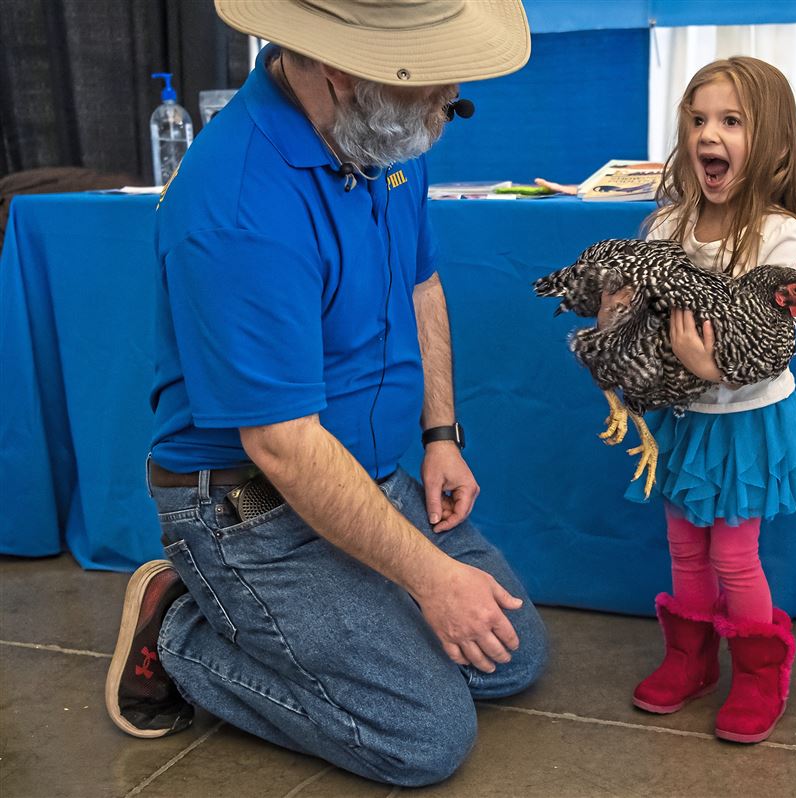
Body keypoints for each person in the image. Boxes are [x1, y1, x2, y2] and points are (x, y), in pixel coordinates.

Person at [103, 0, 547, 786]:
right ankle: (180, 630)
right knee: (424, 736)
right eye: (429, 78)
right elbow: (282, 445)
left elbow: (421, 283)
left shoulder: (389, 134)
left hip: (366, 473)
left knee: (511, 657)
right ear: (344, 71)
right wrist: (429, 578)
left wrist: (441, 435)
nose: (453, 99)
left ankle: (325, 615)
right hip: (249, 504)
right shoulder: (237, 203)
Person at [615, 57, 796, 743]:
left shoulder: (778, 234)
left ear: (775, 144)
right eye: (699, 120)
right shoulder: (667, 226)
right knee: (684, 548)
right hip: (686, 419)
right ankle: (691, 658)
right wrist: (619, 318)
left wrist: (709, 366)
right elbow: (643, 316)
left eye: (731, 121)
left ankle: (760, 675)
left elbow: (774, 346)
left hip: (747, 419)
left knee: (733, 555)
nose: (710, 134)